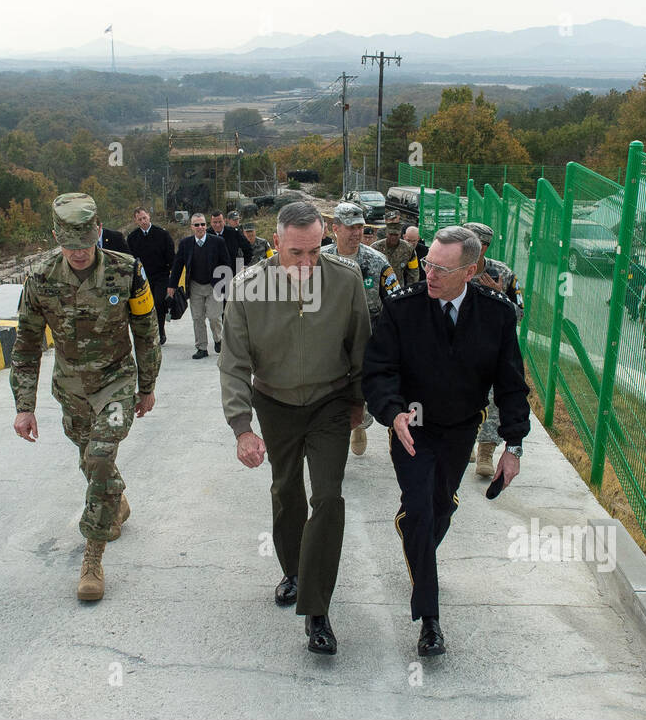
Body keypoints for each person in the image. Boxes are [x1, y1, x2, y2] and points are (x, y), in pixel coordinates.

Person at [363, 225, 530, 657]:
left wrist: (513, 446)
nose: (429, 273)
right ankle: (430, 621)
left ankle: (420, 540)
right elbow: (379, 370)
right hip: (411, 426)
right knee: (418, 506)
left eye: (440, 267)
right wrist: (392, 411)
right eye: (428, 261)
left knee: (437, 508)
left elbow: (511, 387)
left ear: (470, 271)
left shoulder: (496, 315)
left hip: (460, 429)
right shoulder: (403, 309)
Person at [219, 201, 370, 656]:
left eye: (314, 251)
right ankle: (293, 570)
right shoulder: (247, 289)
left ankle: (318, 611)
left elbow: (360, 343)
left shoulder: (345, 280)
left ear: (324, 239)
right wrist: (242, 427)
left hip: (329, 402)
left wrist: (359, 402)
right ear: (277, 243)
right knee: (286, 490)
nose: (306, 263)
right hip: (276, 402)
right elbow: (233, 364)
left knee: (327, 495)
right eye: (295, 253)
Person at [10, 193, 161, 600]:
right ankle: (116, 498)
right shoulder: (40, 278)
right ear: (57, 237)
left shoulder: (127, 271)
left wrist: (147, 387)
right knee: (91, 462)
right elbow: (25, 346)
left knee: (97, 456)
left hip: (116, 383)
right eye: (69, 245)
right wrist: (25, 407)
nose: (78, 253)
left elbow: (147, 333)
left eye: (85, 243)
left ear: (98, 232)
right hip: (71, 390)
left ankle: (92, 558)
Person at [331, 201, 400, 456]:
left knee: (362, 384)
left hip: (368, 337)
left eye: (360, 226)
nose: (356, 233)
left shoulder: (377, 262)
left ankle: (358, 423)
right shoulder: (321, 259)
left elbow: (395, 303)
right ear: (335, 228)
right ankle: (339, 434)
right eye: (350, 227)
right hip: (330, 338)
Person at [462, 222, 522, 478]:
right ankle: (465, 441)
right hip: (459, 347)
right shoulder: (454, 268)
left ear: (483, 247)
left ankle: (486, 450)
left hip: (492, 348)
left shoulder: (504, 274)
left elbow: (519, 313)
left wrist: (500, 297)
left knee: (493, 400)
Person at [168, 214, 232, 359]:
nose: (200, 227)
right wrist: (172, 285)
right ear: (191, 227)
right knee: (197, 318)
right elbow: (178, 265)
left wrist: (226, 285)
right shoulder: (185, 244)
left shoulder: (218, 242)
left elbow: (226, 263)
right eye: (196, 225)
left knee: (214, 316)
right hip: (195, 285)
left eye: (202, 224)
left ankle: (218, 340)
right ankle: (201, 347)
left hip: (213, 285)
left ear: (206, 225)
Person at [127, 206, 175, 345]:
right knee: (146, 306)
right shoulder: (132, 238)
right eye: (140, 219)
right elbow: (130, 259)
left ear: (149, 216)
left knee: (159, 303)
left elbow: (171, 256)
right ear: (136, 221)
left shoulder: (162, 234)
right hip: (143, 277)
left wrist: (173, 277)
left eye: (144, 218)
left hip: (161, 275)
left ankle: (161, 330)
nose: (143, 221)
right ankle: (150, 332)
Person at [378, 213, 420, 288]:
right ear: (386, 234)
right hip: (378, 287)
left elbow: (413, 272)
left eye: (396, 235)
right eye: (391, 235)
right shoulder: (376, 247)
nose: (393, 238)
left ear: (400, 235)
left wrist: (410, 290)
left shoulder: (409, 249)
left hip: (398, 288)